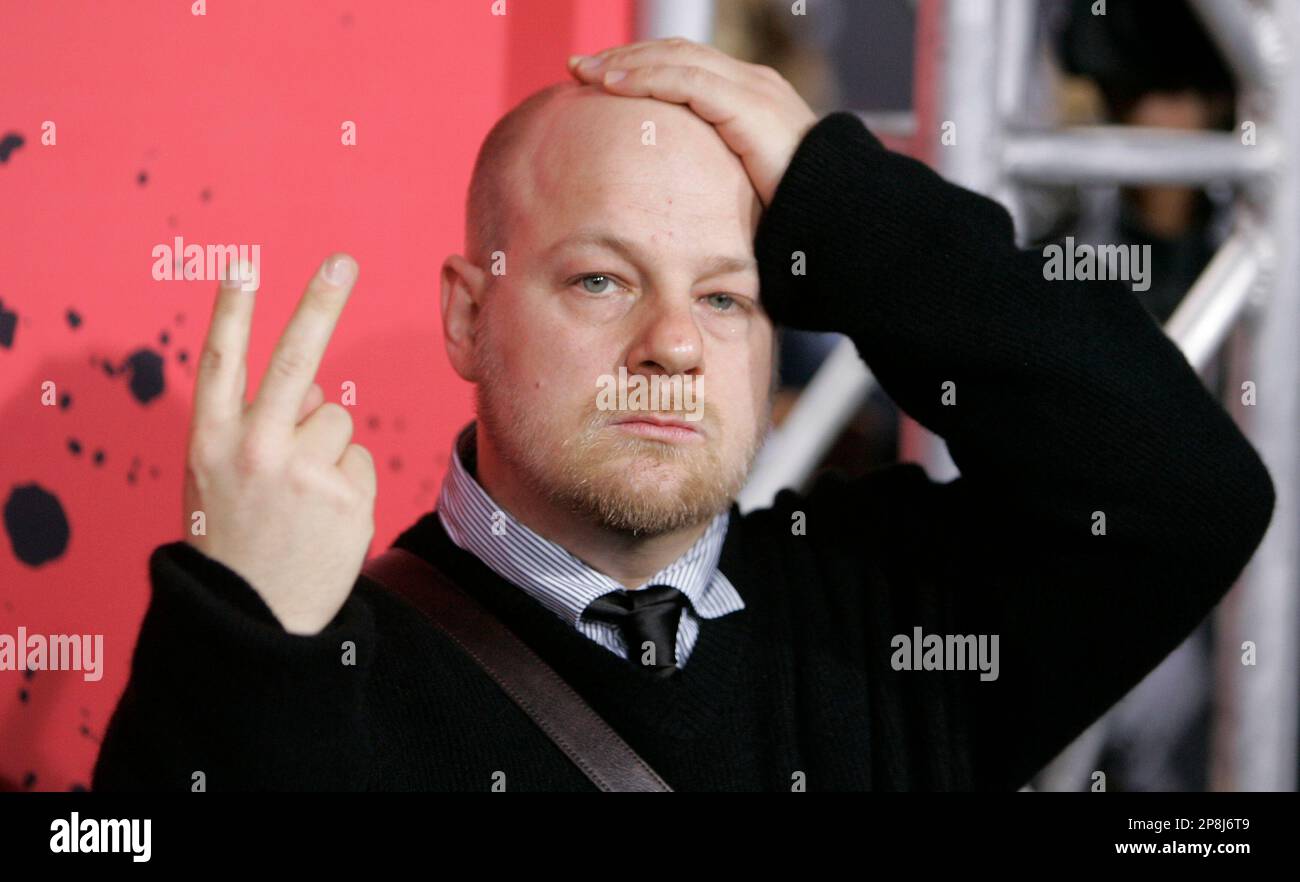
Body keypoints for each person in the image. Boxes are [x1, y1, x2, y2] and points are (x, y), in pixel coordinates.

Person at [92, 38, 1274, 791]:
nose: (670, 344)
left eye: (725, 295)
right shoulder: (315, 665)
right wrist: (242, 647)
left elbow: (1185, 498)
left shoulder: (893, 628)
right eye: (599, 279)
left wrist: (845, 200)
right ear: (467, 318)